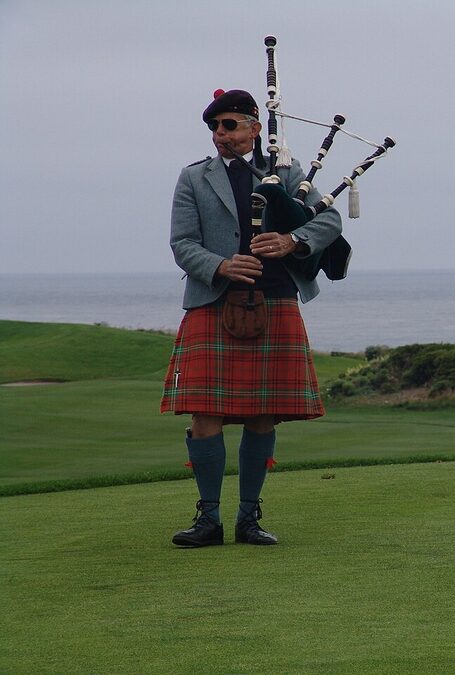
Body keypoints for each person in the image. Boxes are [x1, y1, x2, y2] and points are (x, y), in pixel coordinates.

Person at [160, 89, 342, 547]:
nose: (220, 134)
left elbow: (329, 221)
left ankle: (248, 518)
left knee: (263, 413)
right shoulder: (194, 177)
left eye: (229, 125)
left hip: (275, 298)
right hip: (214, 300)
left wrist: (291, 242)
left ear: (255, 128)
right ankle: (208, 519)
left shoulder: (287, 173)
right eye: (214, 127)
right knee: (206, 412)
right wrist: (221, 265)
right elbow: (183, 243)